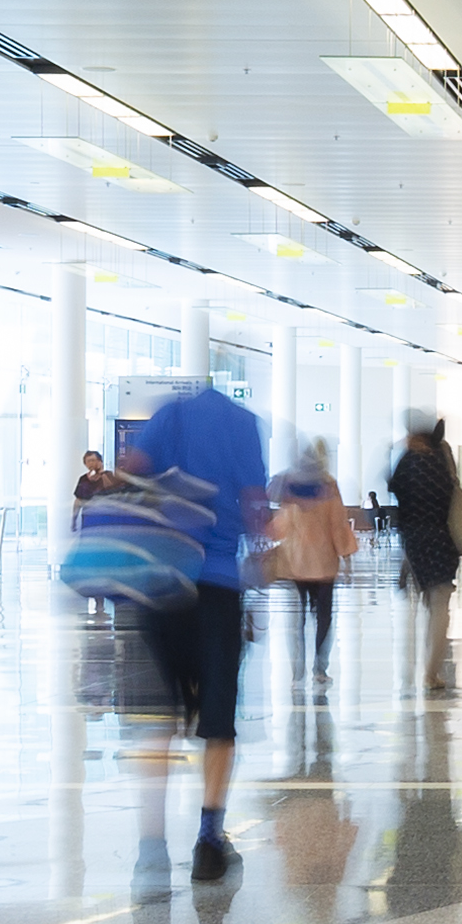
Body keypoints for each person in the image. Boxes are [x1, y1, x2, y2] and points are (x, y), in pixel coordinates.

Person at [119, 363, 269, 884]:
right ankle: (208, 838)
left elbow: (131, 472)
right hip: (218, 586)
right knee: (218, 717)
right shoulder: (244, 423)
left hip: (160, 583)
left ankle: (150, 846)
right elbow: (255, 507)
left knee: (159, 716)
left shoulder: (168, 417)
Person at [385, 412, 462, 699]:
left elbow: (393, 489)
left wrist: (394, 453)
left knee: (428, 604)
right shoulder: (442, 459)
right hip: (442, 539)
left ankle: (428, 667)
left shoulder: (408, 462)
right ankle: (431, 672)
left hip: (415, 541)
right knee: (440, 605)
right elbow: (453, 491)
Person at [265, 436, 357, 695]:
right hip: (324, 564)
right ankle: (320, 669)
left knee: (296, 621)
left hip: (295, 563)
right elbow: (338, 524)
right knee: (324, 617)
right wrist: (346, 555)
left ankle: (297, 673)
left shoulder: (290, 485)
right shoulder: (328, 484)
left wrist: (270, 534)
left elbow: (283, 520)